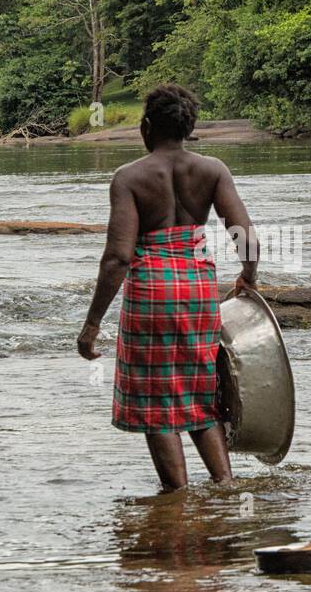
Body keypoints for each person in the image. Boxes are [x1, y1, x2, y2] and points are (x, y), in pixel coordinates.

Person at [77, 84, 258, 491]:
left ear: (145, 127)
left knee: (155, 402)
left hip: (151, 293)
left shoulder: (129, 177)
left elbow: (118, 257)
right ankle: (225, 485)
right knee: (200, 394)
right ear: (188, 128)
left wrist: (91, 325)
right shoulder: (213, 170)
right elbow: (246, 235)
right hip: (197, 290)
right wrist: (249, 277)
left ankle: (178, 496)